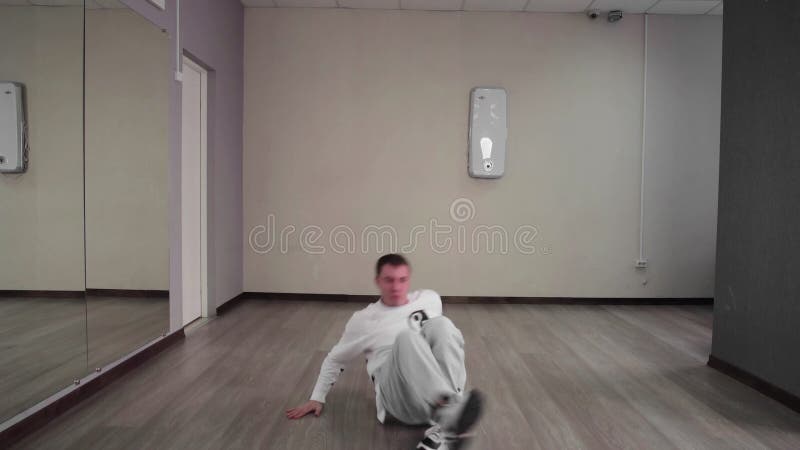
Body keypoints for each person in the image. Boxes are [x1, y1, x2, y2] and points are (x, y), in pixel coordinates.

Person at [286, 253, 484, 450]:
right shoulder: (364, 319)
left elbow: (447, 345)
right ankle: (451, 415)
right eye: (389, 280)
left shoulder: (430, 299)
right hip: (396, 403)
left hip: (430, 401)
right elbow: (335, 360)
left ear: (409, 280)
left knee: (442, 325)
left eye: (402, 280)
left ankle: (447, 422)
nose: (396, 287)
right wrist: (317, 397)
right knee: (407, 338)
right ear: (378, 281)